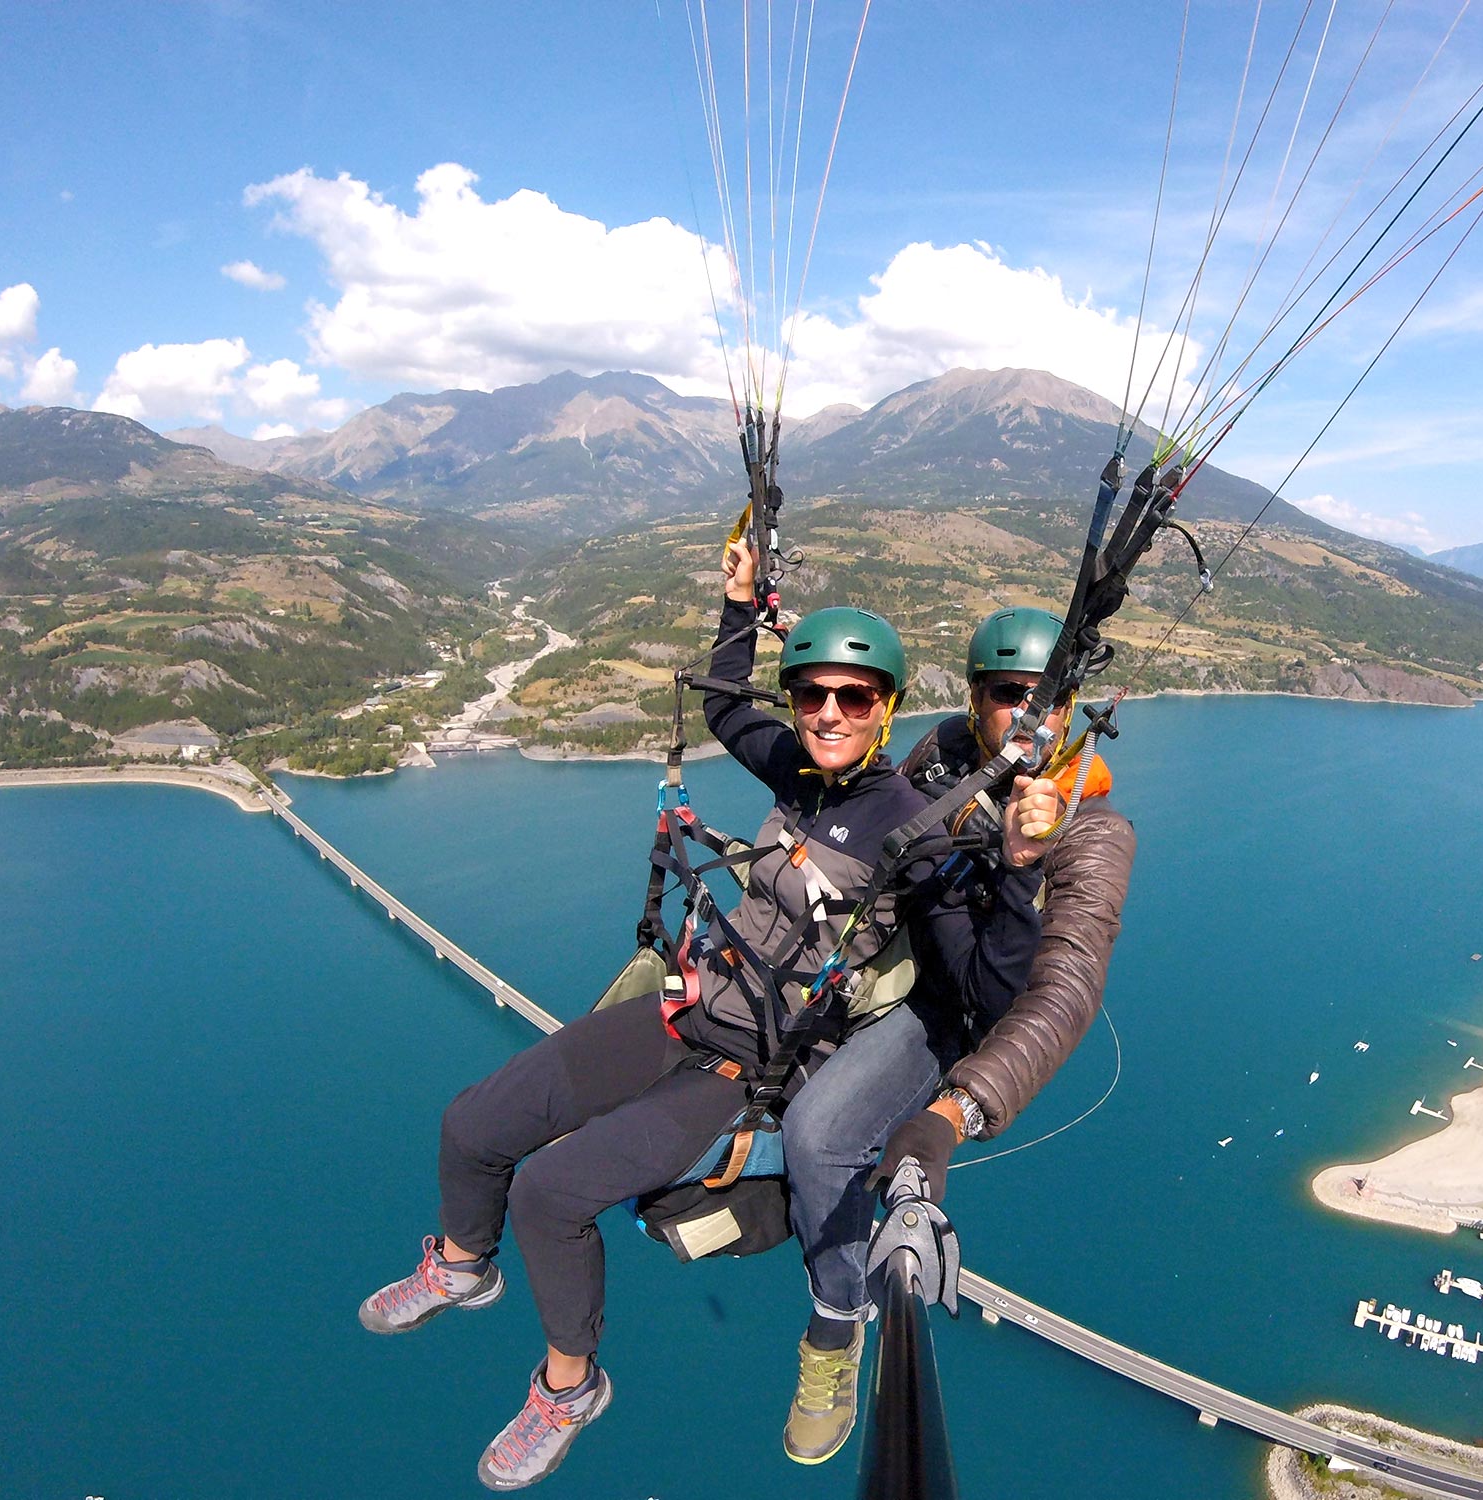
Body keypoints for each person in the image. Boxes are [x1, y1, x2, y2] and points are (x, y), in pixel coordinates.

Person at [357, 543, 1047, 1491]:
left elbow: (982, 989)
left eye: (853, 697)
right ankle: (463, 1264)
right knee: (471, 1125)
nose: (829, 714)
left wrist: (1016, 873)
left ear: (886, 707)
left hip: (745, 1068)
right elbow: (726, 705)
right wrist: (736, 608)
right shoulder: (800, 777)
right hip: (683, 1011)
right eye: (811, 696)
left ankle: (567, 1389)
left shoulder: (910, 826)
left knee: (550, 1194)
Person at [777, 605, 1137, 1465]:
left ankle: (836, 1322)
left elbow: (1062, 995)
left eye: (1050, 699)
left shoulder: (1093, 835)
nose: (1030, 717)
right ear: (974, 699)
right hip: (887, 964)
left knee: (819, 1135)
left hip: (954, 1022)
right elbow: (875, 826)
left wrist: (956, 1111)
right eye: (1010, 694)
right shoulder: (941, 759)